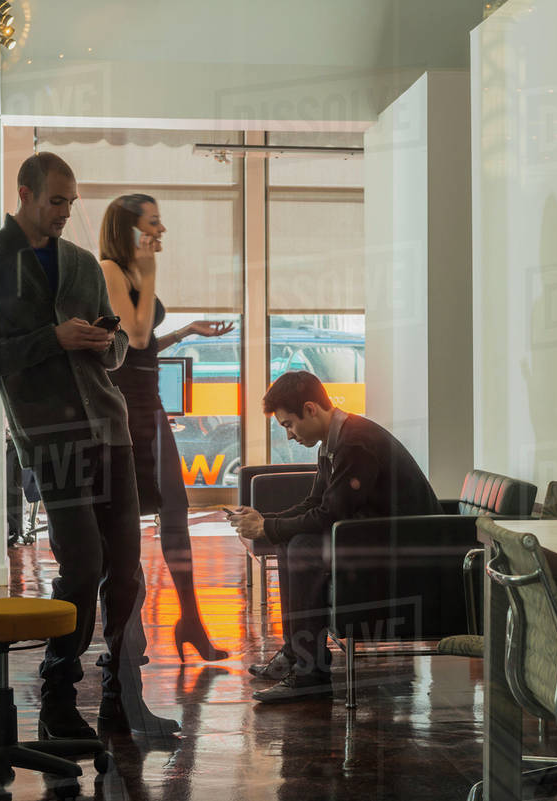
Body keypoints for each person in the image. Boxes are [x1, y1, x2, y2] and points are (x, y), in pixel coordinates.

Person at [0, 152, 152, 739]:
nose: (67, 212)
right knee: (83, 565)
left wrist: (101, 344)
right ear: (25, 193)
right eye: (56, 201)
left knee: (127, 569)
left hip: (109, 429)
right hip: (50, 438)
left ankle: (122, 696)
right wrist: (53, 338)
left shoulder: (81, 263)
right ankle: (57, 696)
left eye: (71, 201)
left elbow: (118, 351)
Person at [228, 371, 443, 702]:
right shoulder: (336, 438)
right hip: (381, 535)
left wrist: (267, 528)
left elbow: (331, 515)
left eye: (288, 424)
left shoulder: (355, 443)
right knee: (292, 542)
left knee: (303, 548)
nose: (288, 435)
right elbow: (318, 502)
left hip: (410, 546)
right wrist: (268, 522)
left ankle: (309, 673)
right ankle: (297, 653)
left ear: (311, 409)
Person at [99, 193, 234, 663]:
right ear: (128, 229)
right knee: (128, 525)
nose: (160, 232)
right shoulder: (112, 270)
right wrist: (149, 269)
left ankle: (191, 620)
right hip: (125, 410)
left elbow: (145, 342)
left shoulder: (131, 270)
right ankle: (125, 636)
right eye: (152, 223)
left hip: (148, 403)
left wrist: (185, 331)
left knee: (176, 514)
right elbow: (134, 336)